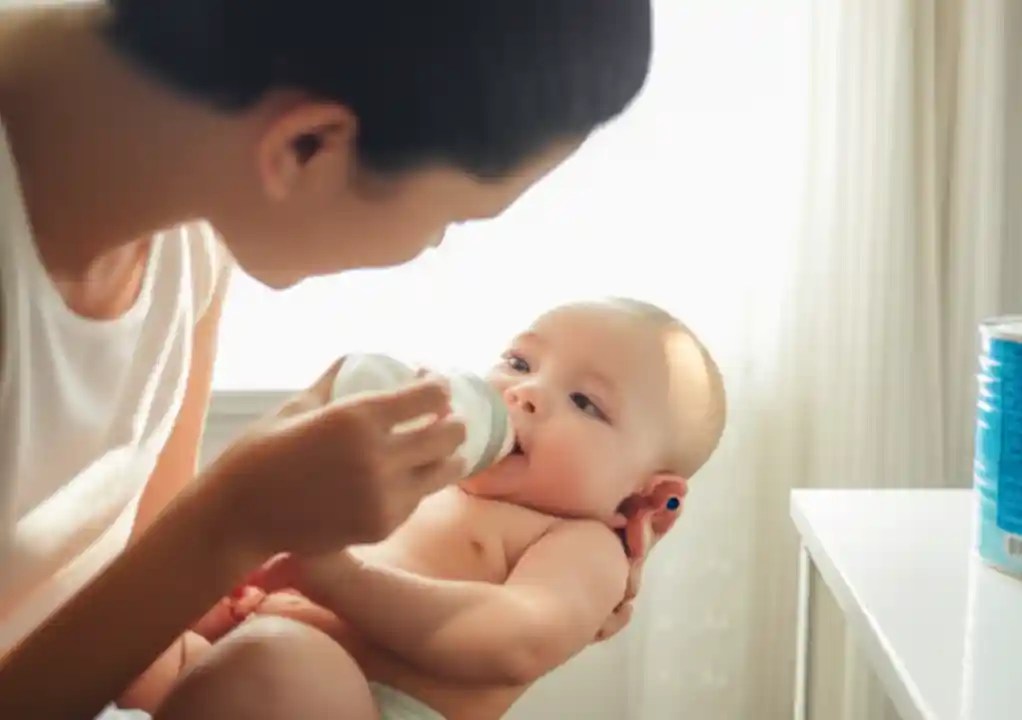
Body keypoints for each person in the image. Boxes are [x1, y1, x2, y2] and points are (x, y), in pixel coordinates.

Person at [0, 2, 662, 718]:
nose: (430, 246)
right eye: (452, 220)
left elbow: (148, 636)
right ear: (308, 146)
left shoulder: (184, 236)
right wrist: (232, 520)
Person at [122, 298, 728, 720]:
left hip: (369, 704)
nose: (525, 393)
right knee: (131, 621)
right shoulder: (433, 481)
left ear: (647, 498)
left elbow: (516, 639)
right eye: (520, 363)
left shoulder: (581, 542)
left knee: (285, 661)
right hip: (245, 663)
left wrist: (340, 582)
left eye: (585, 403)